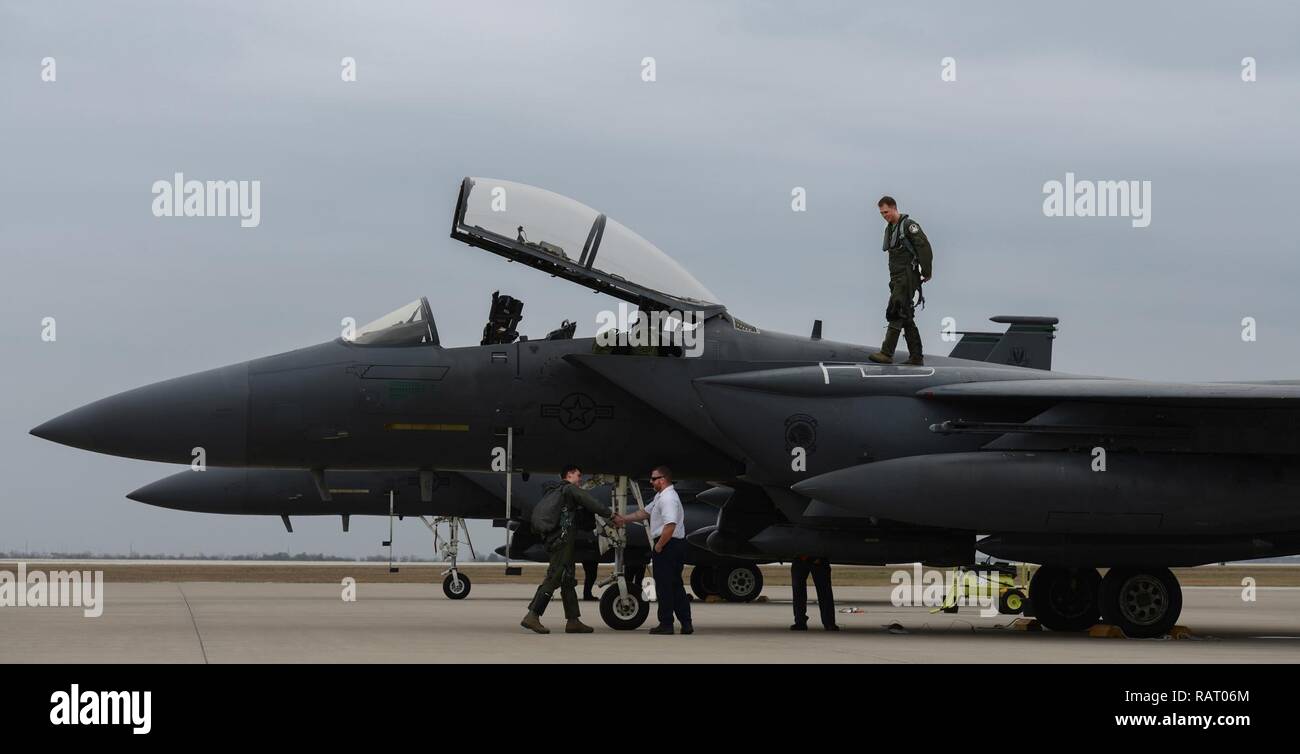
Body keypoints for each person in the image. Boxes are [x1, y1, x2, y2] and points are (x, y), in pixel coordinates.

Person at [521, 465, 621, 634]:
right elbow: (590, 502)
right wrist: (611, 515)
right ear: (569, 475)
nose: (580, 479)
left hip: (558, 539)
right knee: (555, 576)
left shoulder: (555, 492)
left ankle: (573, 621)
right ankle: (533, 615)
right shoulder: (569, 489)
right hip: (563, 540)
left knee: (567, 579)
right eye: (578, 475)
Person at [614, 466, 692, 635]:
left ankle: (666, 624)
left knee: (664, 586)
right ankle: (686, 623)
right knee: (675, 585)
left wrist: (659, 546)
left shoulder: (668, 499)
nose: (651, 481)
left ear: (663, 479)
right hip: (672, 544)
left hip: (668, 544)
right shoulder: (660, 496)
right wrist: (623, 519)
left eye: (654, 478)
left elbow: (670, 525)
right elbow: (644, 513)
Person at [869, 196, 934, 366]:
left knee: (896, 309)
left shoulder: (909, 226)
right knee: (905, 315)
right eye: (882, 213)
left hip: (907, 276)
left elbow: (924, 247)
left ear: (894, 208)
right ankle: (916, 356)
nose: (884, 215)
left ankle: (887, 352)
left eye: (886, 212)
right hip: (896, 278)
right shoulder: (890, 228)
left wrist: (926, 272)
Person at [790, 555, 839, 631]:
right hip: (799, 558)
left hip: (818, 558)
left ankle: (829, 622)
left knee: (824, 591)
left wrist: (818, 557)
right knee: (798, 591)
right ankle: (800, 622)